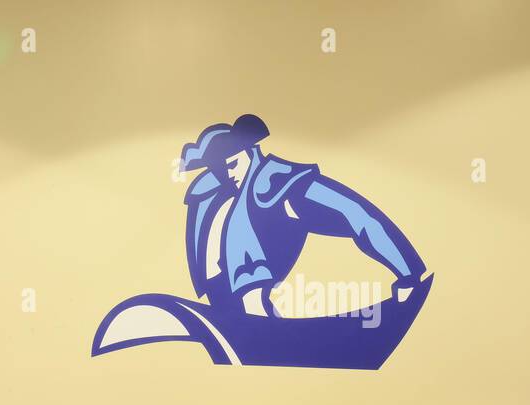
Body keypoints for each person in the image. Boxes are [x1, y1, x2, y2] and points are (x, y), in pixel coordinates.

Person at [180, 114, 426, 317]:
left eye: (232, 165)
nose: (228, 175)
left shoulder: (282, 185)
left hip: (249, 304)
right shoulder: (212, 191)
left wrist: (407, 274)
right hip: (227, 303)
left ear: (251, 152)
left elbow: (357, 216)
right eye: (220, 170)